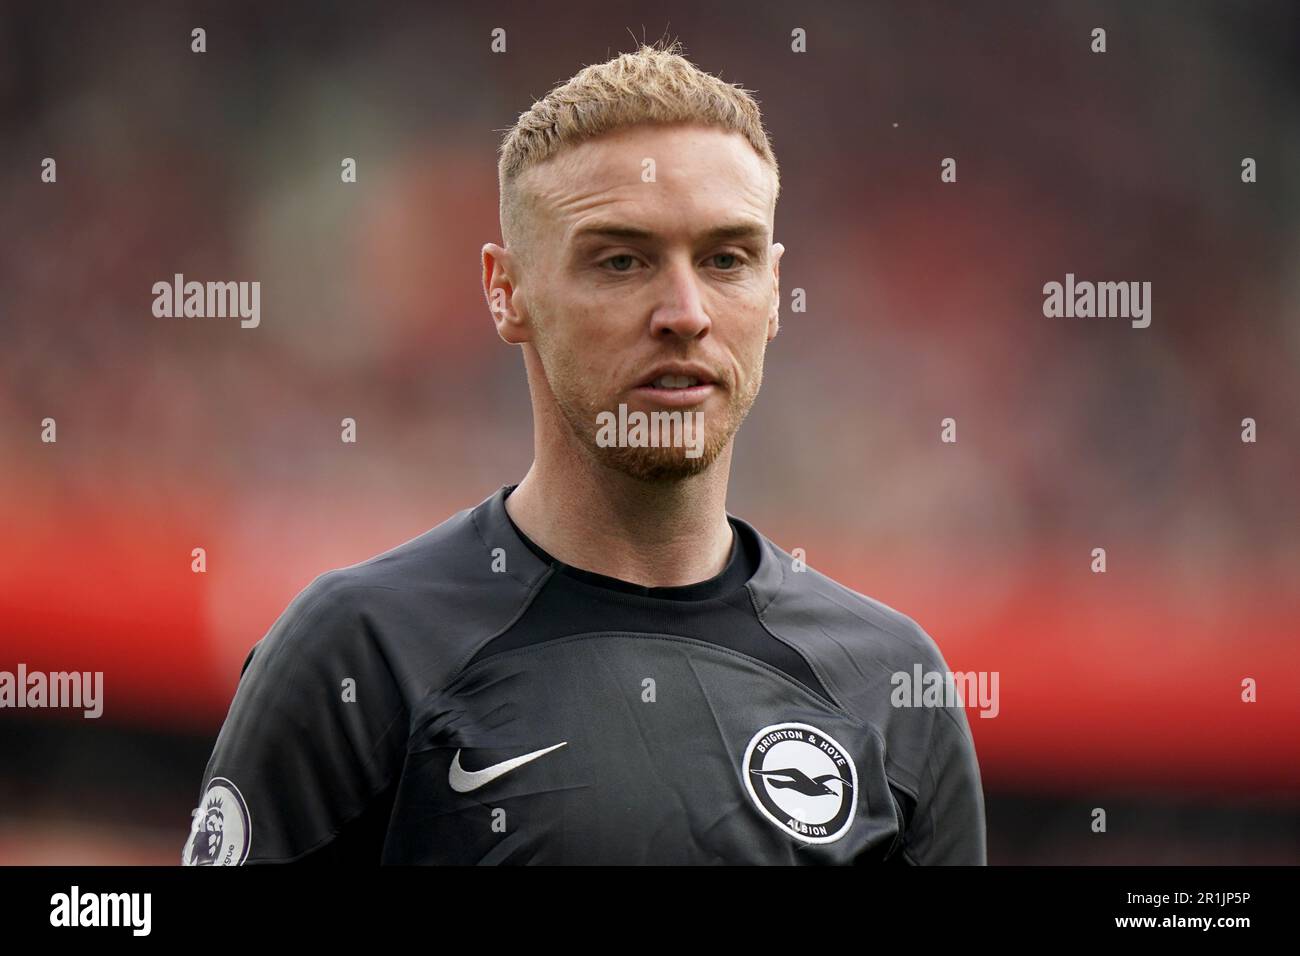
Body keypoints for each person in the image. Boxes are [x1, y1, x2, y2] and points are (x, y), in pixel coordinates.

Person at [182, 39, 986, 865]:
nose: (685, 312)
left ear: (776, 291)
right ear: (506, 291)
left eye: (726, 260)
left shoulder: (890, 684)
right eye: (622, 261)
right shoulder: (361, 652)